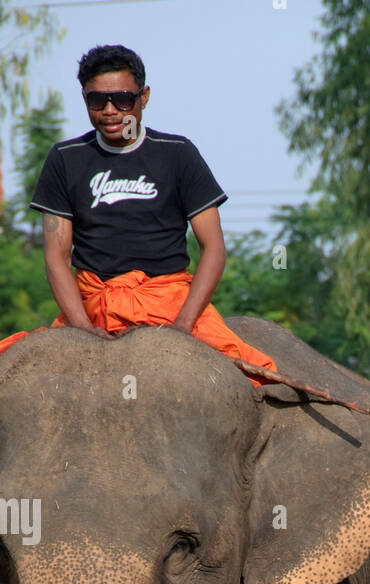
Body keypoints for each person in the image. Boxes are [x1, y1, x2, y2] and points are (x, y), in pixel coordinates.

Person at [0, 44, 279, 380]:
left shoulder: (178, 154)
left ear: (143, 97)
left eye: (122, 99)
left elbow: (214, 247)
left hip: (169, 300)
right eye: (96, 100)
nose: (110, 111)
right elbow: (56, 257)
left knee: (257, 376)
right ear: (84, 99)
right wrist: (81, 328)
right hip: (93, 304)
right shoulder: (65, 158)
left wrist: (183, 325)